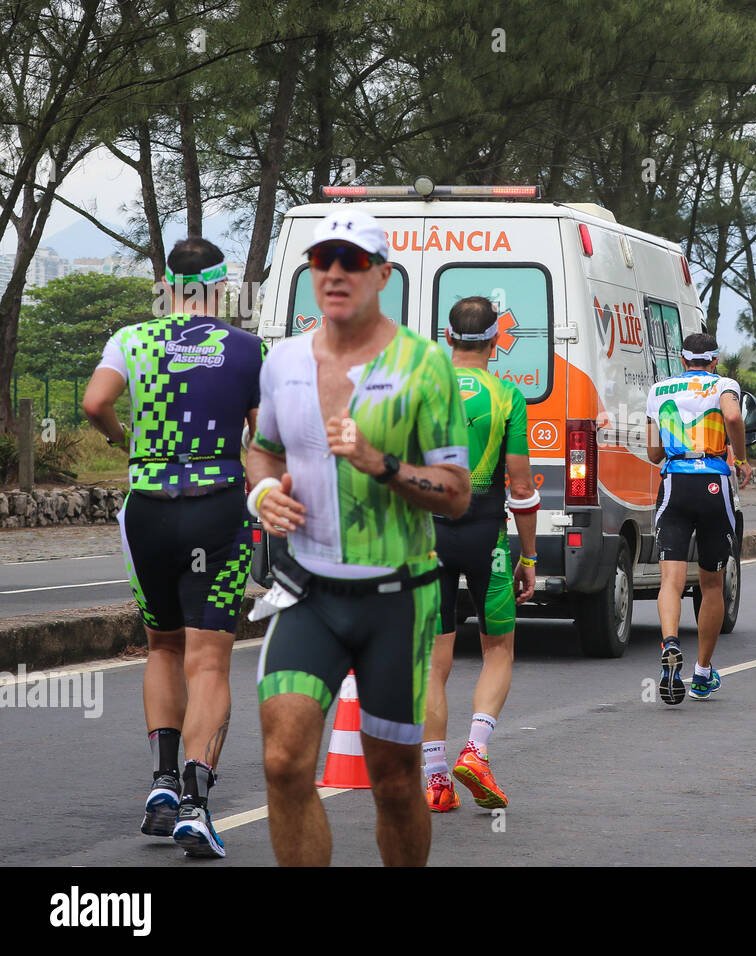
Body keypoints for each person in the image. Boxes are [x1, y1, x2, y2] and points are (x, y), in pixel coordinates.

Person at [247, 210, 471, 865]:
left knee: (395, 782)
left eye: (352, 260)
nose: (336, 273)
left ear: (382, 275)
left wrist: (382, 464)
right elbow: (262, 449)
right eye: (323, 260)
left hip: (396, 599)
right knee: (283, 761)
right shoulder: (283, 360)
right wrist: (262, 493)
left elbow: (457, 493)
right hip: (308, 591)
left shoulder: (425, 365)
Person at [82, 237, 264, 858]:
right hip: (217, 505)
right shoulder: (247, 349)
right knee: (208, 661)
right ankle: (195, 803)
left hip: (149, 510)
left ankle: (161, 782)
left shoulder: (132, 339)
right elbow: (264, 439)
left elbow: (95, 402)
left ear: (166, 286)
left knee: (161, 646)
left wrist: (123, 440)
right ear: (223, 287)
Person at [422, 296, 539, 813]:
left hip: (426, 534)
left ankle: (435, 779)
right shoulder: (507, 394)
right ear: (495, 341)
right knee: (498, 649)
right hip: (485, 534)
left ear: (448, 337)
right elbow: (522, 487)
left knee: (433, 661)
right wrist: (528, 557)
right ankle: (475, 750)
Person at [645, 332, 752, 704]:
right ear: (715, 360)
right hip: (712, 484)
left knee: (670, 581)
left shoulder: (659, 390)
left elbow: (653, 453)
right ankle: (702, 672)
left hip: (674, 483)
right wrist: (740, 457)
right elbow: (733, 415)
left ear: (682, 358)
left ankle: (670, 643)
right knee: (711, 584)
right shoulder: (723, 384)